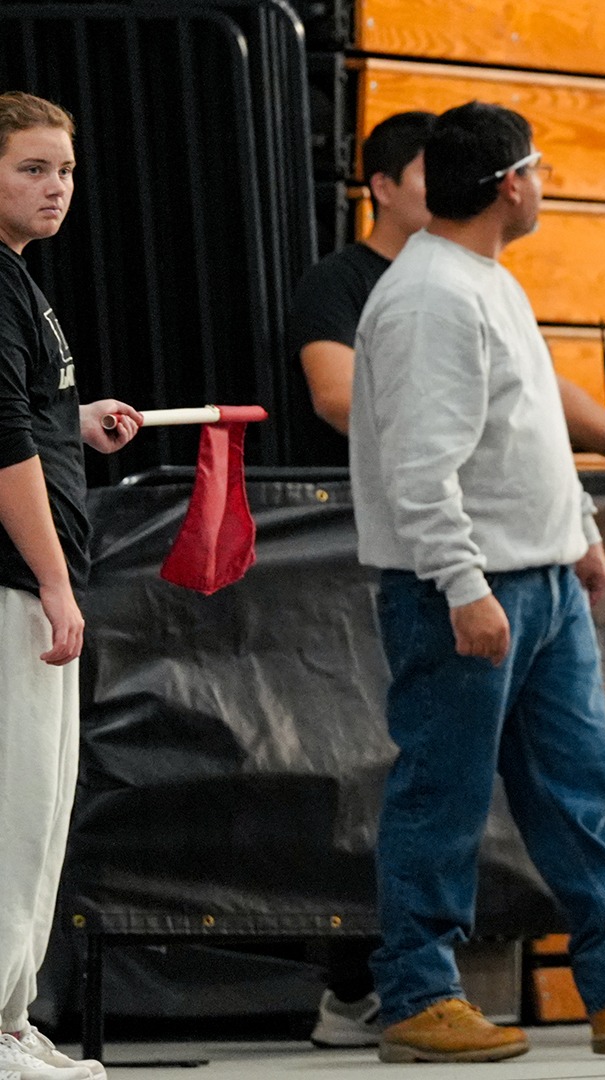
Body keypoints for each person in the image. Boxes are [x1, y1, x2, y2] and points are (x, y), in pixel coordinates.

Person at [350, 100, 605, 1063]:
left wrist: (574, 534)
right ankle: (414, 991)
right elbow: (419, 467)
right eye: (538, 168)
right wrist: (462, 583)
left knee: (578, 786)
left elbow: (521, 435)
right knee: (441, 793)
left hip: (538, 579)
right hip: (472, 587)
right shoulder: (430, 297)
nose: (545, 184)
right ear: (508, 186)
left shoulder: (485, 281)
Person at [0, 91, 143, 1080]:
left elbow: (27, 416)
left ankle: (12, 1021)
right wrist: (53, 583)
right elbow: (2, 447)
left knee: (40, 810)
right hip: (14, 584)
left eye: (66, 170)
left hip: (29, 582)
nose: (56, 190)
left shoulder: (20, 282)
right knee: (15, 809)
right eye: (32, 169)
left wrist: (73, 414)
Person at [290, 110, 605, 465]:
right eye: (432, 175)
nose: (446, 186)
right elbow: (339, 398)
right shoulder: (338, 281)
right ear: (382, 188)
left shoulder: (486, 279)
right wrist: (475, 437)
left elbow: (535, 389)